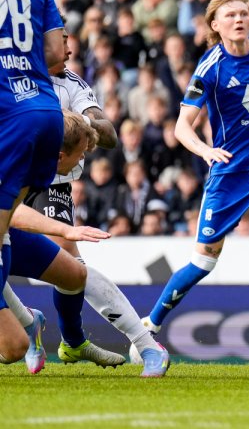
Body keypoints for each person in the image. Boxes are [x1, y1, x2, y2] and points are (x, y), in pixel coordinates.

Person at [141, 0, 249, 341]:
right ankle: (151, 324)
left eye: (243, 13)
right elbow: (180, 126)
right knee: (203, 263)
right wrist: (205, 150)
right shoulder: (210, 67)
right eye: (231, 15)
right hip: (229, 174)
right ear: (215, 26)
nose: (239, 19)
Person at [18, 32, 167, 373]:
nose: (71, 48)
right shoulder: (14, 79)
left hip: (51, 183)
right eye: (63, 41)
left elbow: (110, 135)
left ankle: (134, 344)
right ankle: (39, 328)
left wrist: (77, 122)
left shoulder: (72, 84)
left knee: (68, 261)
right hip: (13, 180)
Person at [0, 0, 68, 367]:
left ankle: (24, 326)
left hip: (7, 116)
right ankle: (25, 322)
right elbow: (56, 52)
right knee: (2, 232)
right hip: (45, 112)